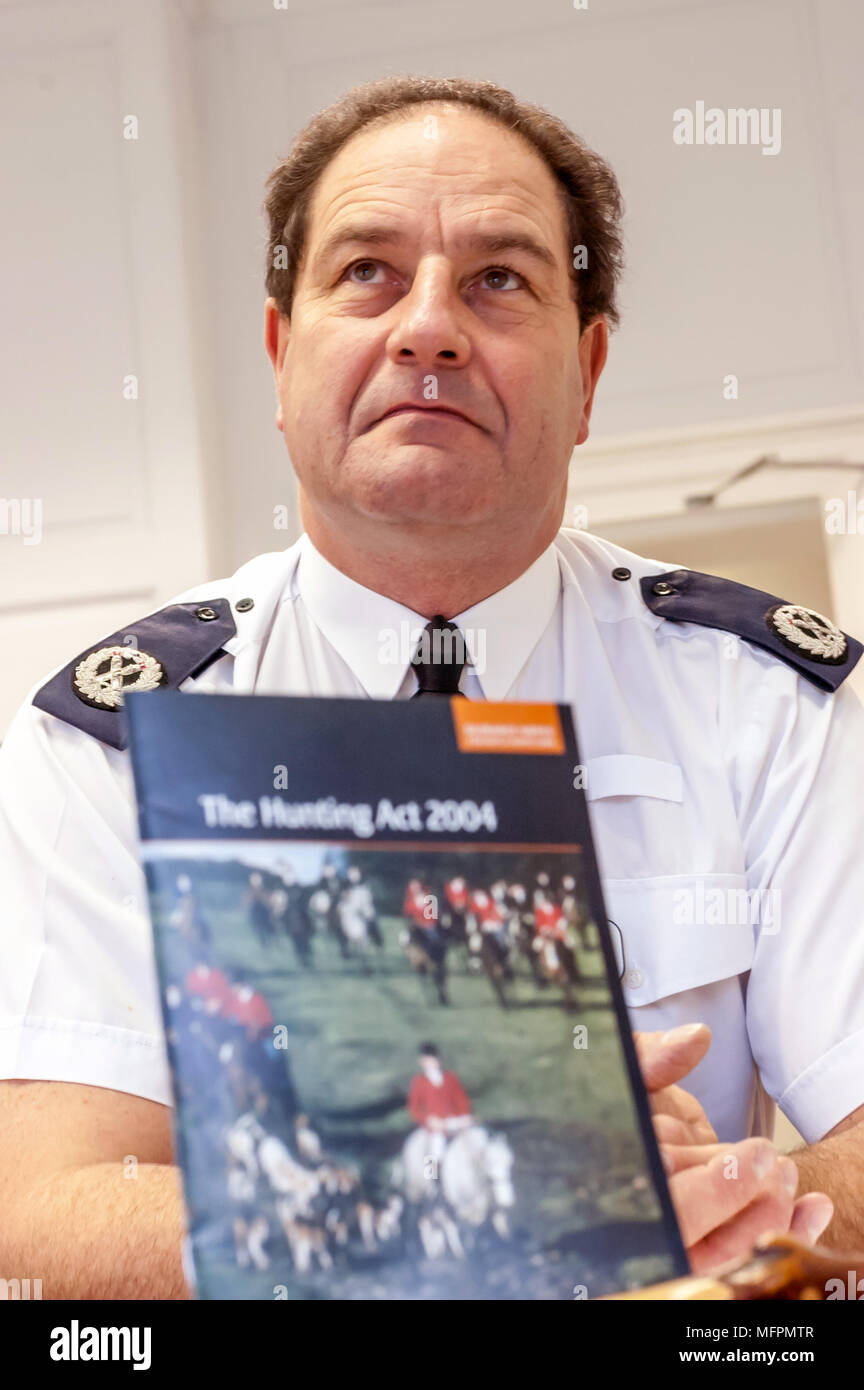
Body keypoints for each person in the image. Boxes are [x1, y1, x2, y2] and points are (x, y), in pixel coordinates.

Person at [0, 73, 856, 1298]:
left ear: (591, 369)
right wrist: (477, 1201)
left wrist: (741, 1228)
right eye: (367, 273)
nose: (430, 327)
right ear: (281, 352)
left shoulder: (769, 699)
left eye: (502, 278)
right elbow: (39, 1213)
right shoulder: (112, 740)